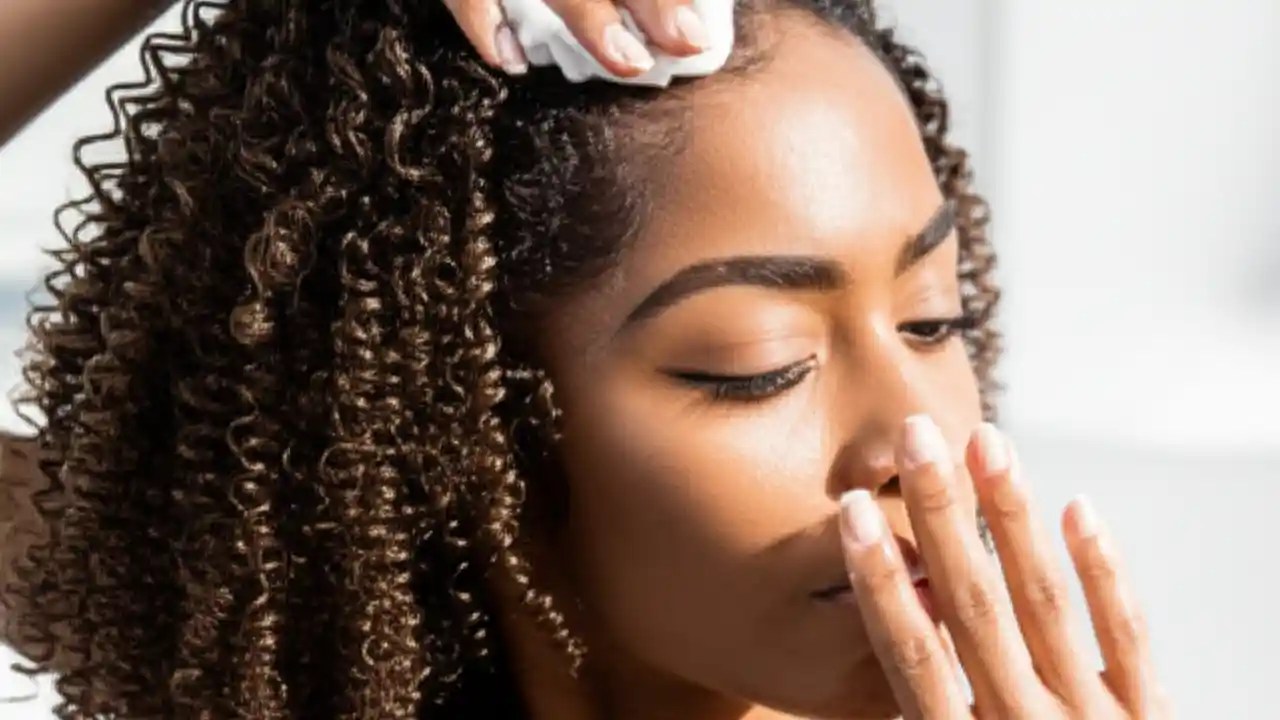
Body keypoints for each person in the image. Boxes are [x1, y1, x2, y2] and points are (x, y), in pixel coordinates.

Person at [0, 0, 1172, 718]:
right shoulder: (244, 649)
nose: (913, 445)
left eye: (933, 321)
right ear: (458, 427)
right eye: (754, 366)